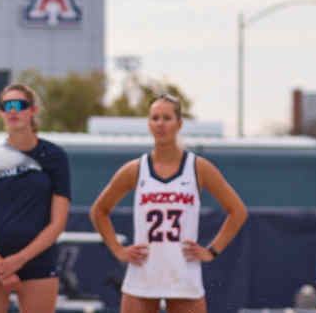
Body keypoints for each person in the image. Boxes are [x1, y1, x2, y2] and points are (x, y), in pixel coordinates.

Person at [89, 94, 248, 313]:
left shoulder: (198, 167)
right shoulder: (136, 169)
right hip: (143, 275)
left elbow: (237, 211)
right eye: (155, 118)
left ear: (179, 123)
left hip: (183, 276)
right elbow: (99, 210)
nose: (160, 124)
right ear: (149, 124)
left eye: (167, 118)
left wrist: (212, 251)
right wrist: (117, 249)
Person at [0, 83, 71, 313]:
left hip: (37, 262)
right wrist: (0, 265)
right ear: (1, 112)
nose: (13, 111)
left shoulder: (55, 157)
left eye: (20, 105)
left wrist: (18, 260)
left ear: (33, 110)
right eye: (7, 105)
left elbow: (58, 223)